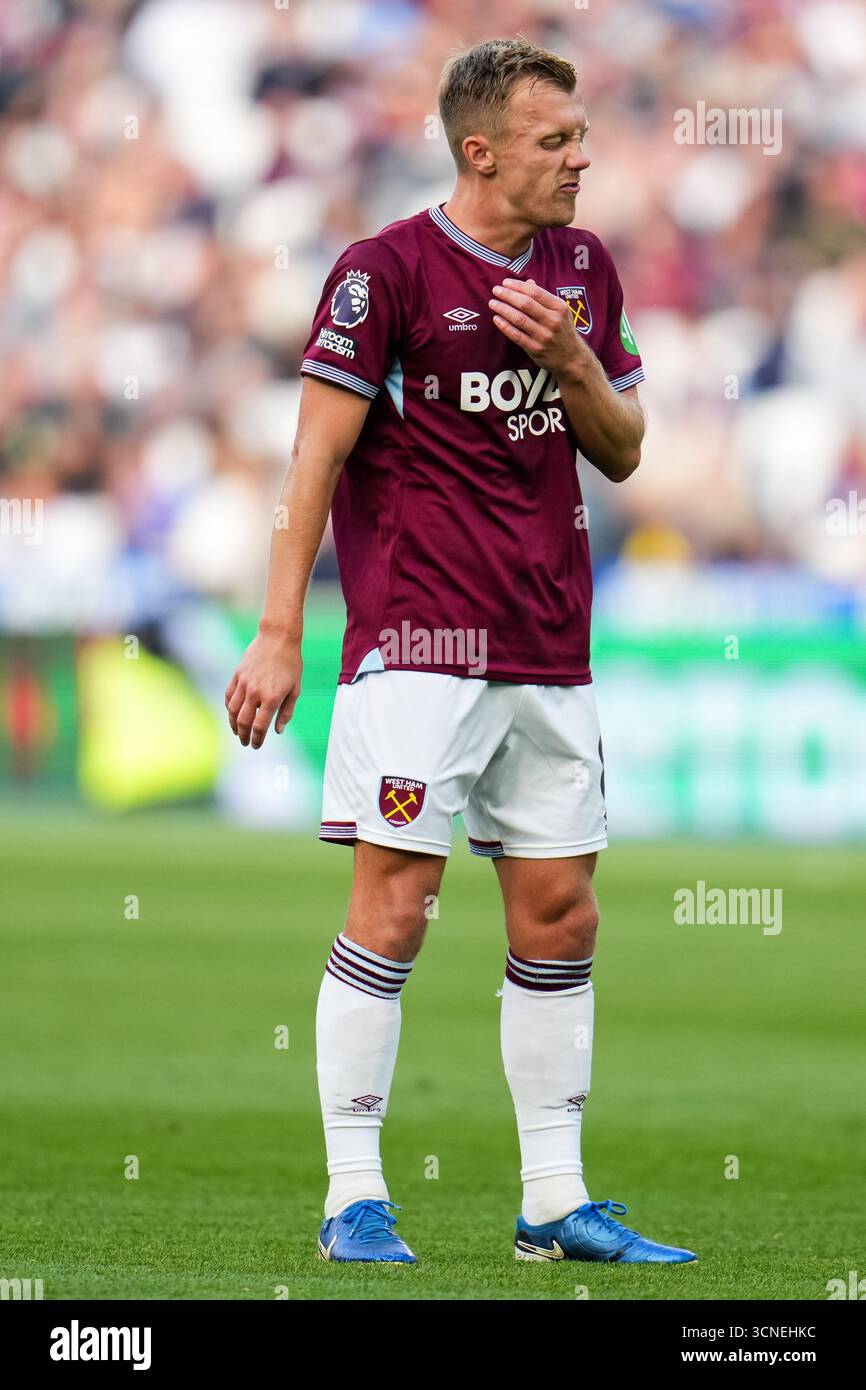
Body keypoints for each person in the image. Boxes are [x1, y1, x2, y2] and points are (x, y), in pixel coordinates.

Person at [225, 37, 696, 1266]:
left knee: (561, 910)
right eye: (555, 140)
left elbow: (625, 447)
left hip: (550, 641)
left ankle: (552, 1200)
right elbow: (311, 466)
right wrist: (282, 631)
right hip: (418, 646)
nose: (580, 158)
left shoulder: (583, 268)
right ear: (479, 151)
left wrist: (574, 362)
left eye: (581, 136)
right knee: (395, 905)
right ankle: (351, 1197)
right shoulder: (380, 273)